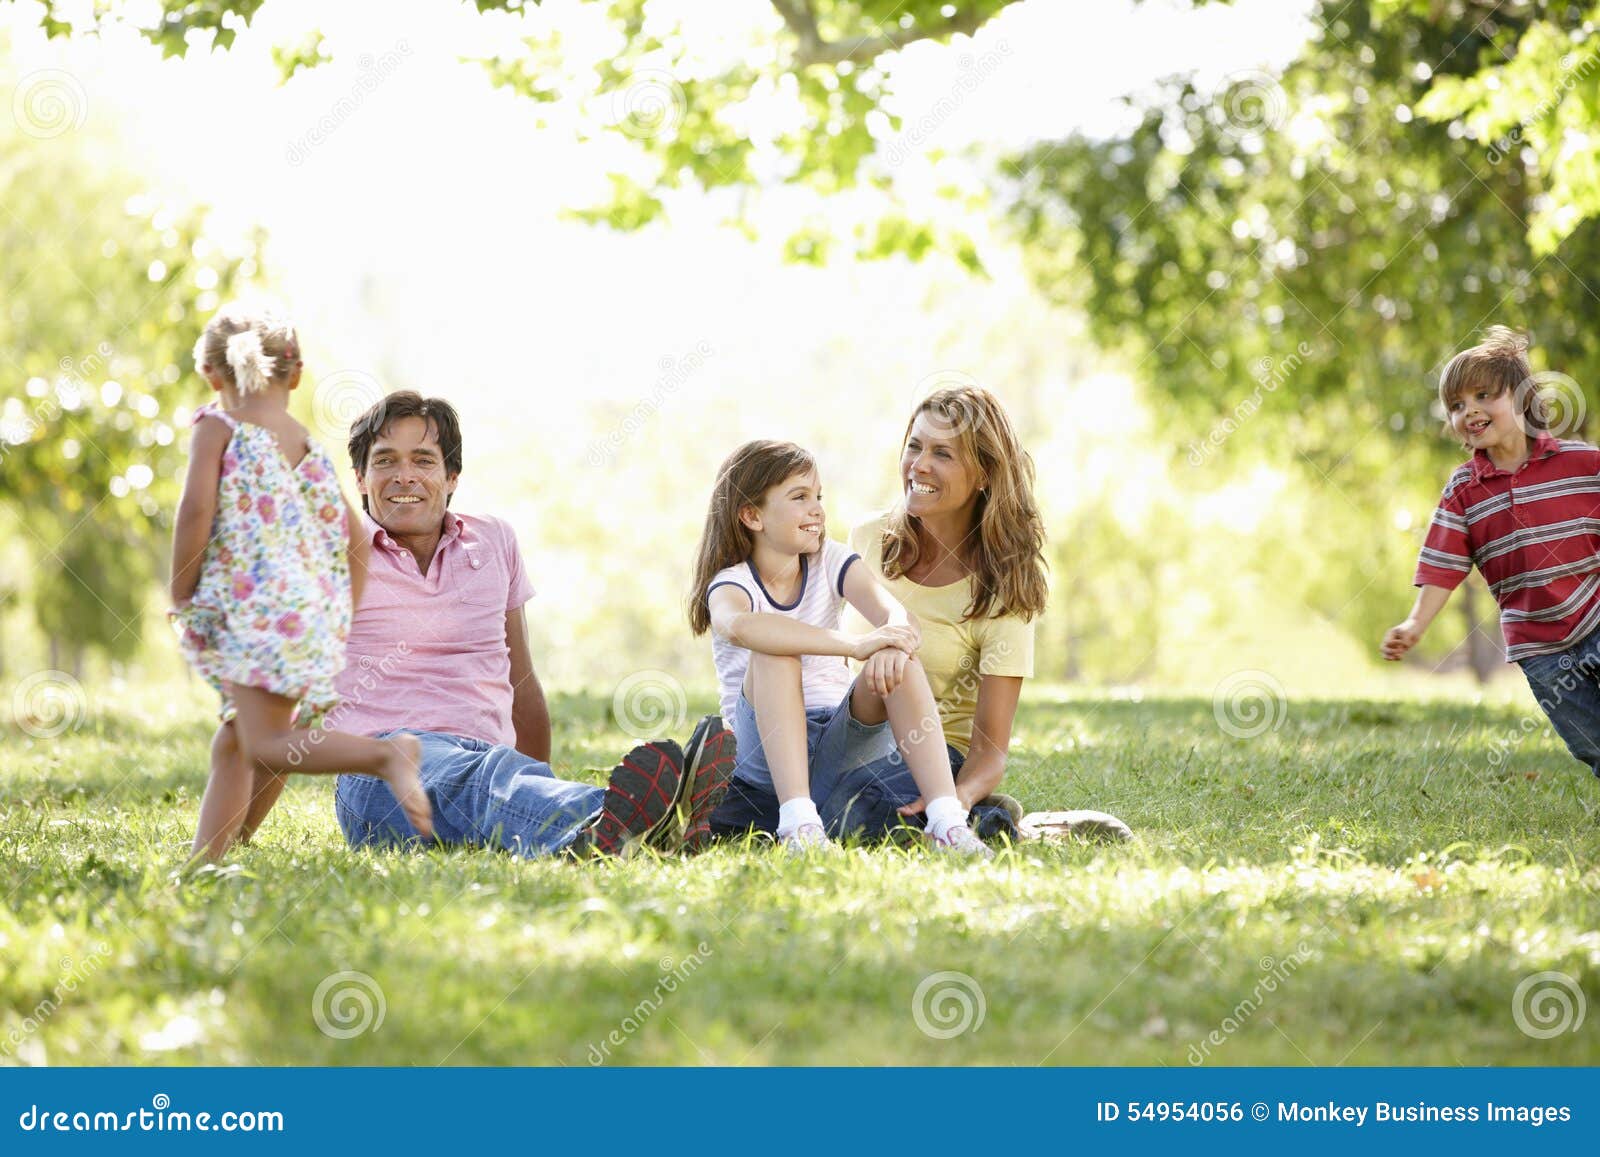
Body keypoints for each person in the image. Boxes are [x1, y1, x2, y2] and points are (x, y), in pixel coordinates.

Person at [230, 389, 734, 858]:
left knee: (490, 774)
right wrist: (234, 835)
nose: (405, 475)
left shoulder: (493, 543)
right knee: (471, 773)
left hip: (491, 762)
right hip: (379, 777)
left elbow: (521, 681)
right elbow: (281, 708)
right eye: (385, 461)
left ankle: (638, 828)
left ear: (452, 478)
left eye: (424, 461)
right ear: (360, 479)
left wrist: (541, 783)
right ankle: (620, 820)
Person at [717, 385, 1048, 843]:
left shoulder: (1005, 588)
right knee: (814, 797)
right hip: (838, 732)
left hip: (923, 758)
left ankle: (962, 818)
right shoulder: (869, 537)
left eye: (943, 454)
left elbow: (990, 749)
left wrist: (960, 796)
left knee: (846, 810)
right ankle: (776, 811)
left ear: (984, 474)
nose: (920, 465)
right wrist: (873, 646)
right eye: (914, 446)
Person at [171, 300, 431, 862]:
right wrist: (338, 620)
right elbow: (356, 541)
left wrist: (181, 587)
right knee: (236, 742)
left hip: (252, 616)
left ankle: (386, 756)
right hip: (306, 618)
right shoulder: (307, 445)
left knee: (265, 743)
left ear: (211, 375)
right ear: (295, 375)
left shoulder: (217, 426)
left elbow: (195, 511)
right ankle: (206, 862)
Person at [688, 439, 990, 855]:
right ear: (752, 515)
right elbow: (740, 627)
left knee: (897, 658)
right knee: (775, 653)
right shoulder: (732, 584)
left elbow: (897, 616)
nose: (817, 509)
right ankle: (798, 825)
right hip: (764, 755)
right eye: (799, 497)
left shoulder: (830, 560)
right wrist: (855, 645)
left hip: (836, 740)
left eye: (818, 497)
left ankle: (946, 821)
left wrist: (889, 640)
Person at [1382, 326, 1600, 779]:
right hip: (1538, 645)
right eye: (1457, 405)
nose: (1470, 410)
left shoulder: (1581, 465)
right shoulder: (1465, 490)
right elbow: (1443, 564)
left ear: (1521, 399)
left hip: (1596, 616)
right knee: (1589, 740)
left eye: (1484, 395)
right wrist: (1414, 624)